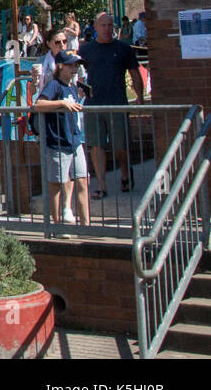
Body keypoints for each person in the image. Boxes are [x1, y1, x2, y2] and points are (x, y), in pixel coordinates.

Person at [78, 12, 146, 199]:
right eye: (103, 25)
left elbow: (135, 73)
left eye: (110, 25)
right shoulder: (85, 50)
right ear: (96, 27)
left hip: (117, 103)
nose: (107, 29)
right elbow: (77, 75)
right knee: (96, 145)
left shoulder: (123, 48)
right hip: (93, 105)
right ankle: (101, 185)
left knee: (120, 146)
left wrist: (139, 96)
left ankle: (125, 172)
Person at [33, 50, 91, 228]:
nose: (74, 68)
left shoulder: (72, 86)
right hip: (58, 141)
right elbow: (39, 104)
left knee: (82, 180)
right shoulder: (54, 86)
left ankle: (86, 225)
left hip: (74, 140)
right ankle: (57, 225)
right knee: (56, 183)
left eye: (76, 65)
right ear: (60, 66)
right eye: (71, 65)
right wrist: (61, 103)